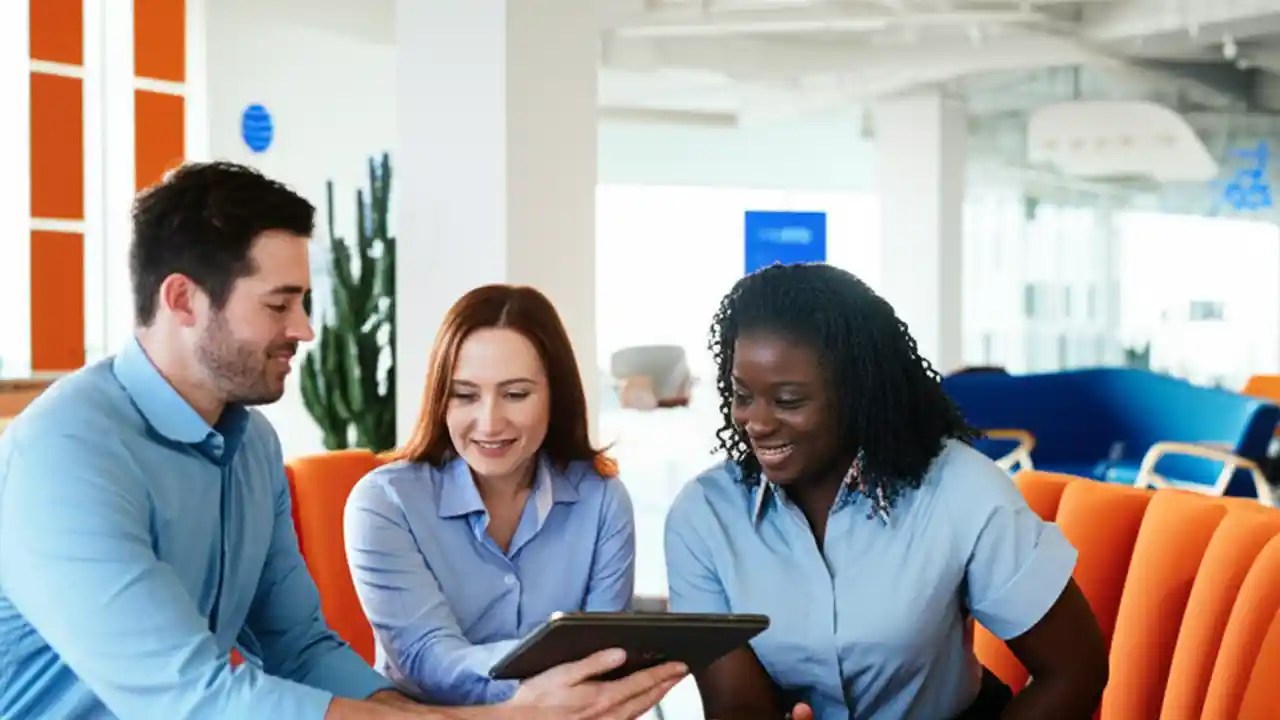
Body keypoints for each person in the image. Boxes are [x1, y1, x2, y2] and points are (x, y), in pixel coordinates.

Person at [0, 161, 684, 720]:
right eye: (279, 303)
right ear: (182, 300)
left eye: (304, 302)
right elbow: (192, 699)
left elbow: (298, 649)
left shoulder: (251, 445)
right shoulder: (64, 454)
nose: (303, 329)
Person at [663, 263, 1109, 720]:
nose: (757, 422)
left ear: (857, 392)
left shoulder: (960, 489)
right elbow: (735, 706)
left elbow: (1075, 670)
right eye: (742, 395)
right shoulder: (705, 515)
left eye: (788, 400)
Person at [344, 284, 640, 706]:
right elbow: (428, 659)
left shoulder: (603, 502)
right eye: (465, 395)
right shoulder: (385, 503)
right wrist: (541, 693)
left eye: (516, 394)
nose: (489, 421)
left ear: (556, 396)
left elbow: (603, 660)